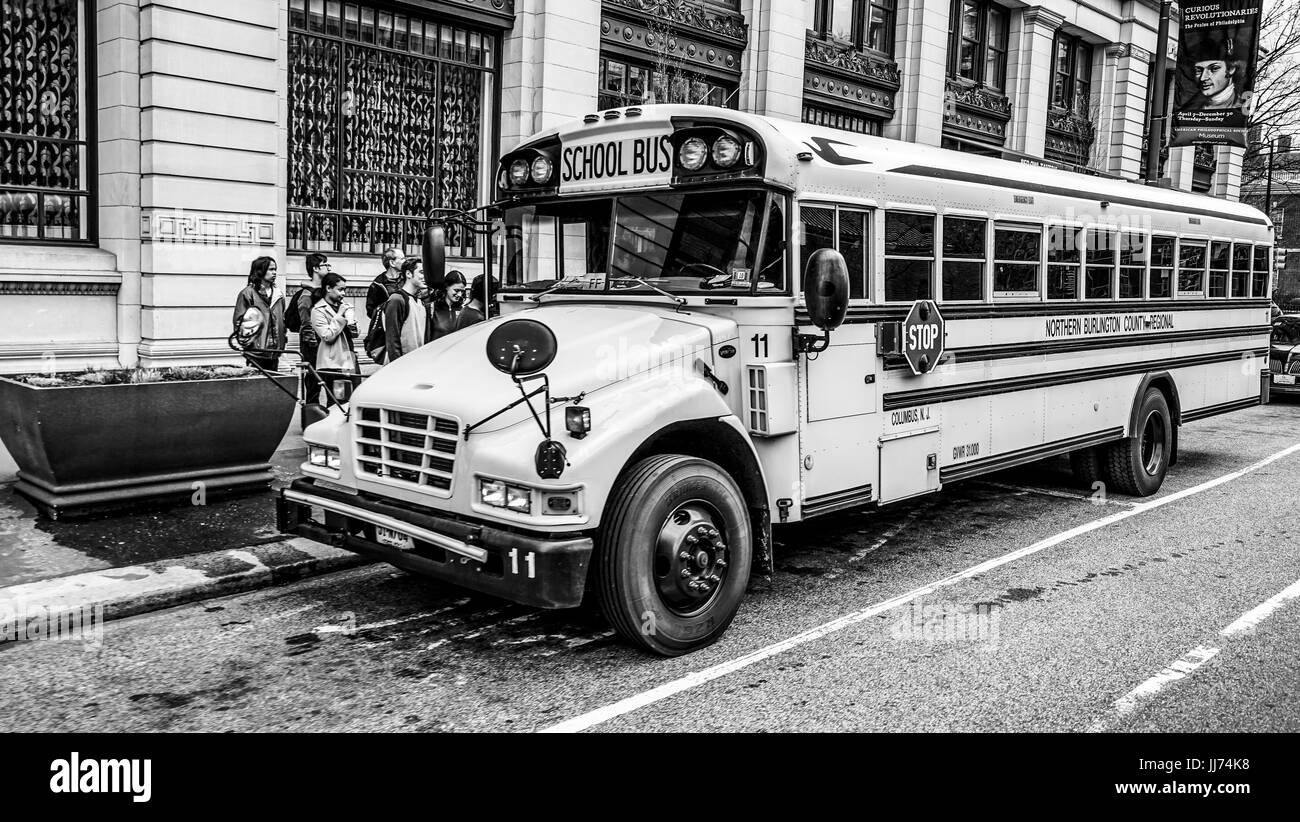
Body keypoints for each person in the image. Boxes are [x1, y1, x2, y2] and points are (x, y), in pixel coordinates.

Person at [311, 272, 359, 406]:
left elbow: (355, 335)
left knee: (353, 398)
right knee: (337, 402)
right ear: (328, 289)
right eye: (340, 289)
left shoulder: (343, 306)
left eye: (345, 290)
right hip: (332, 363)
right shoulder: (318, 310)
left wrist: (352, 323)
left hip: (349, 360)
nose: (343, 293)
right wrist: (339, 315)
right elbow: (327, 336)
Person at [232, 256, 286, 370]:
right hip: (255, 352)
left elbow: (283, 319)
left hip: (274, 351)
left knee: (273, 384)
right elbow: (239, 322)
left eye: (275, 269)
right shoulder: (247, 293)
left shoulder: (278, 294)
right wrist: (247, 344)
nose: (274, 272)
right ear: (260, 271)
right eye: (271, 269)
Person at [292, 252, 330, 403]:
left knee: (328, 378)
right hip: (313, 343)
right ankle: (312, 413)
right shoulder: (307, 294)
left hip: (326, 340)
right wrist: (311, 341)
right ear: (315, 268)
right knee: (314, 379)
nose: (328, 267)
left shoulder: (325, 290)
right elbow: (306, 321)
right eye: (325, 264)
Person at [383, 258, 434, 361]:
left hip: (417, 363)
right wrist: (397, 366)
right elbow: (392, 340)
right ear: (409, 274)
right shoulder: (397, 300)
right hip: (402, 366)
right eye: (421, 272)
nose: (426, 277)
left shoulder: (421, 302)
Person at [1185, 38, 1246, 111]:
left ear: (1231, 69)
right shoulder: (1187, 109)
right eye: (1198, 70)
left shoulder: (1241, 107)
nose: (1203, 78)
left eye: (1214, 69)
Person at [430, 269, 469, 340]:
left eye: (462, 291)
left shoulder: (463, 310)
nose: (460, 294)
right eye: (456, 290)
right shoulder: (431, 308)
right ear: (446, 287)